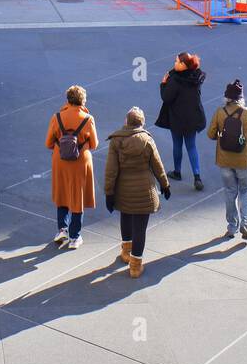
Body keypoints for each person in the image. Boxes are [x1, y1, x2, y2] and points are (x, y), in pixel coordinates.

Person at [104, 106, 170, 278]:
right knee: (140, 228)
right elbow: (157, 165)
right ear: (141, 123)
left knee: (125, 216)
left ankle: (126, 251)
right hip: (144, 189)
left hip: (123, 188)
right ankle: (135, 266)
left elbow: (111, 170)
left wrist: (109, 192)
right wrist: (165, 184)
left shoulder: (116, 140)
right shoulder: (147, 140)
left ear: (126, 121)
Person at [207, 79, 247, 240]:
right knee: (246, 191)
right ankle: (245, 224)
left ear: (226, 98)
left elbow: (210, 134)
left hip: (224, 160)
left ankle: (232, 227)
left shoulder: (220, 112)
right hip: (244, 160)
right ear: (241, 98)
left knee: (230, 192)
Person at [45, 85, 98, 249]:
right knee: (78, 196)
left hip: (60, 161)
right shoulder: (88, 119)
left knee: (62, 193)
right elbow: (94, 144)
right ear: (83, 101)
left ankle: (62, 229)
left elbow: (48, 143)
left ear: (67, 100)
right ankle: (75, 237)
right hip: (80, 162)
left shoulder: (57, 117)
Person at [155, 51, 207, 190]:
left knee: (177, 145)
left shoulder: (175, 79)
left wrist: (163, 84)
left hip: (177, 118)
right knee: (191, 146)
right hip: (193, 117)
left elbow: (166, 97)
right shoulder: (196, 77)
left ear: (183, 65)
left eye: (177, 61)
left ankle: (177, 171)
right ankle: (197, 176)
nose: (175, 63)